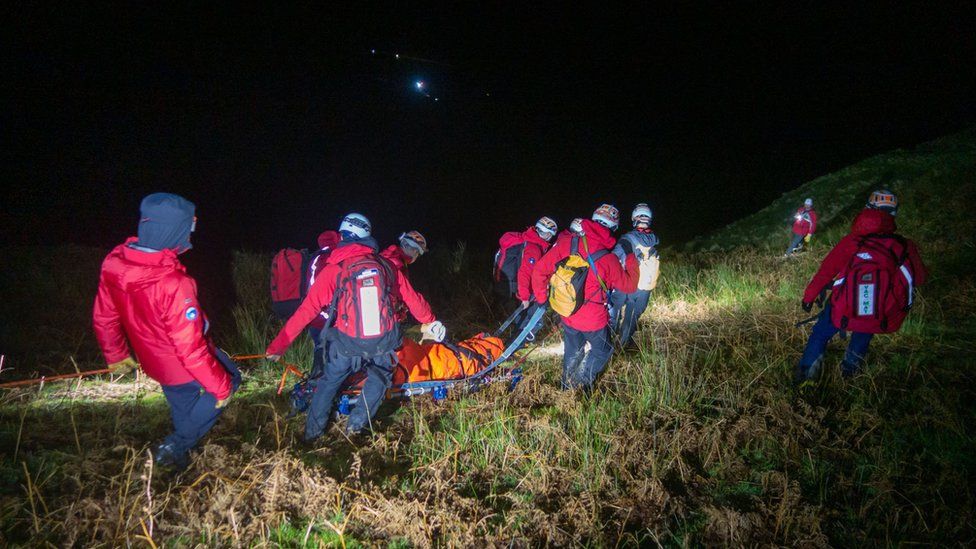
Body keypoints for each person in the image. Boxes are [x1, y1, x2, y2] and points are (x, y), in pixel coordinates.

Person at [265, 213, 446, 440]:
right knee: (380, 378)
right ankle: (355, 426)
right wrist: (430, 319)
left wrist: (278, 346)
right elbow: (413, 300)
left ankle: (312, 434)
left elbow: (306, 311)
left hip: (346, 343)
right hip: (382, 343)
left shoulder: (335, 269)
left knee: (328, 383)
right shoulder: (387, 266)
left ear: (342, 236)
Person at [93, 193, 240, 469]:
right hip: (182, 362)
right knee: (230, 379)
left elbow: (104, 317)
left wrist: (116, 355)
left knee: (183, 405)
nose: (190, 234)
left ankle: (179, 462)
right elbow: (190, 349)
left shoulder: (114, 264)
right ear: (174, 230)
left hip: (154, 361)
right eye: (188, 227)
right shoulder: (174, 283)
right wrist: (221, 388)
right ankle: (176, 444)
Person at [794, 189, 927, 384]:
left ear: (867, 209)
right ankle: (850, 377)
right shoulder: (904, 245)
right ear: (893, 213)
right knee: (864, 331)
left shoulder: (852, 241)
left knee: (820, 334)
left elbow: (826, 272)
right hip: (876, 308)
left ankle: (806, 378)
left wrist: (809, 297)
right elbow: (920, 278)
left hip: (842, 306)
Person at [531, 204, 641, 392]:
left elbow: (539, 271)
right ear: (613, 228)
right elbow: (630, 286)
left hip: (566, 311)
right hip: (593, 320)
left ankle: (566, 387)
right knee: (603, 350)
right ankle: (582, 384)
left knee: (573, 350)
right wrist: (631, 256)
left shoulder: (568, 243)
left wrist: (543, 299)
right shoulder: (609, 259)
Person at [609, 203, 660, 347]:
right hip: (645, 284)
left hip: (629, 281)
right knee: (633, 314)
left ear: (634, 219)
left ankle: (609, 339)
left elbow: (613, 258)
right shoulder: (653, 238)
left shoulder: (628, 238)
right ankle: (624, 342)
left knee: (615, 308)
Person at [304, 230, 341, 381]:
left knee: (320, 353)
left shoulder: (315, 258)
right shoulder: (332, 258)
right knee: (329, 358)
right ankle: (322, 388)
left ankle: (314, 385)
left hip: (315, 317)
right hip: (327, 319)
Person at [381, 230, 429, 322]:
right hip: (384, 320)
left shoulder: (387, 257)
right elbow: (410, 297)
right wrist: (429, 320)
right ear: (414, 250)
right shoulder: (396, 263)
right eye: (417, 253)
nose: (416, 256)